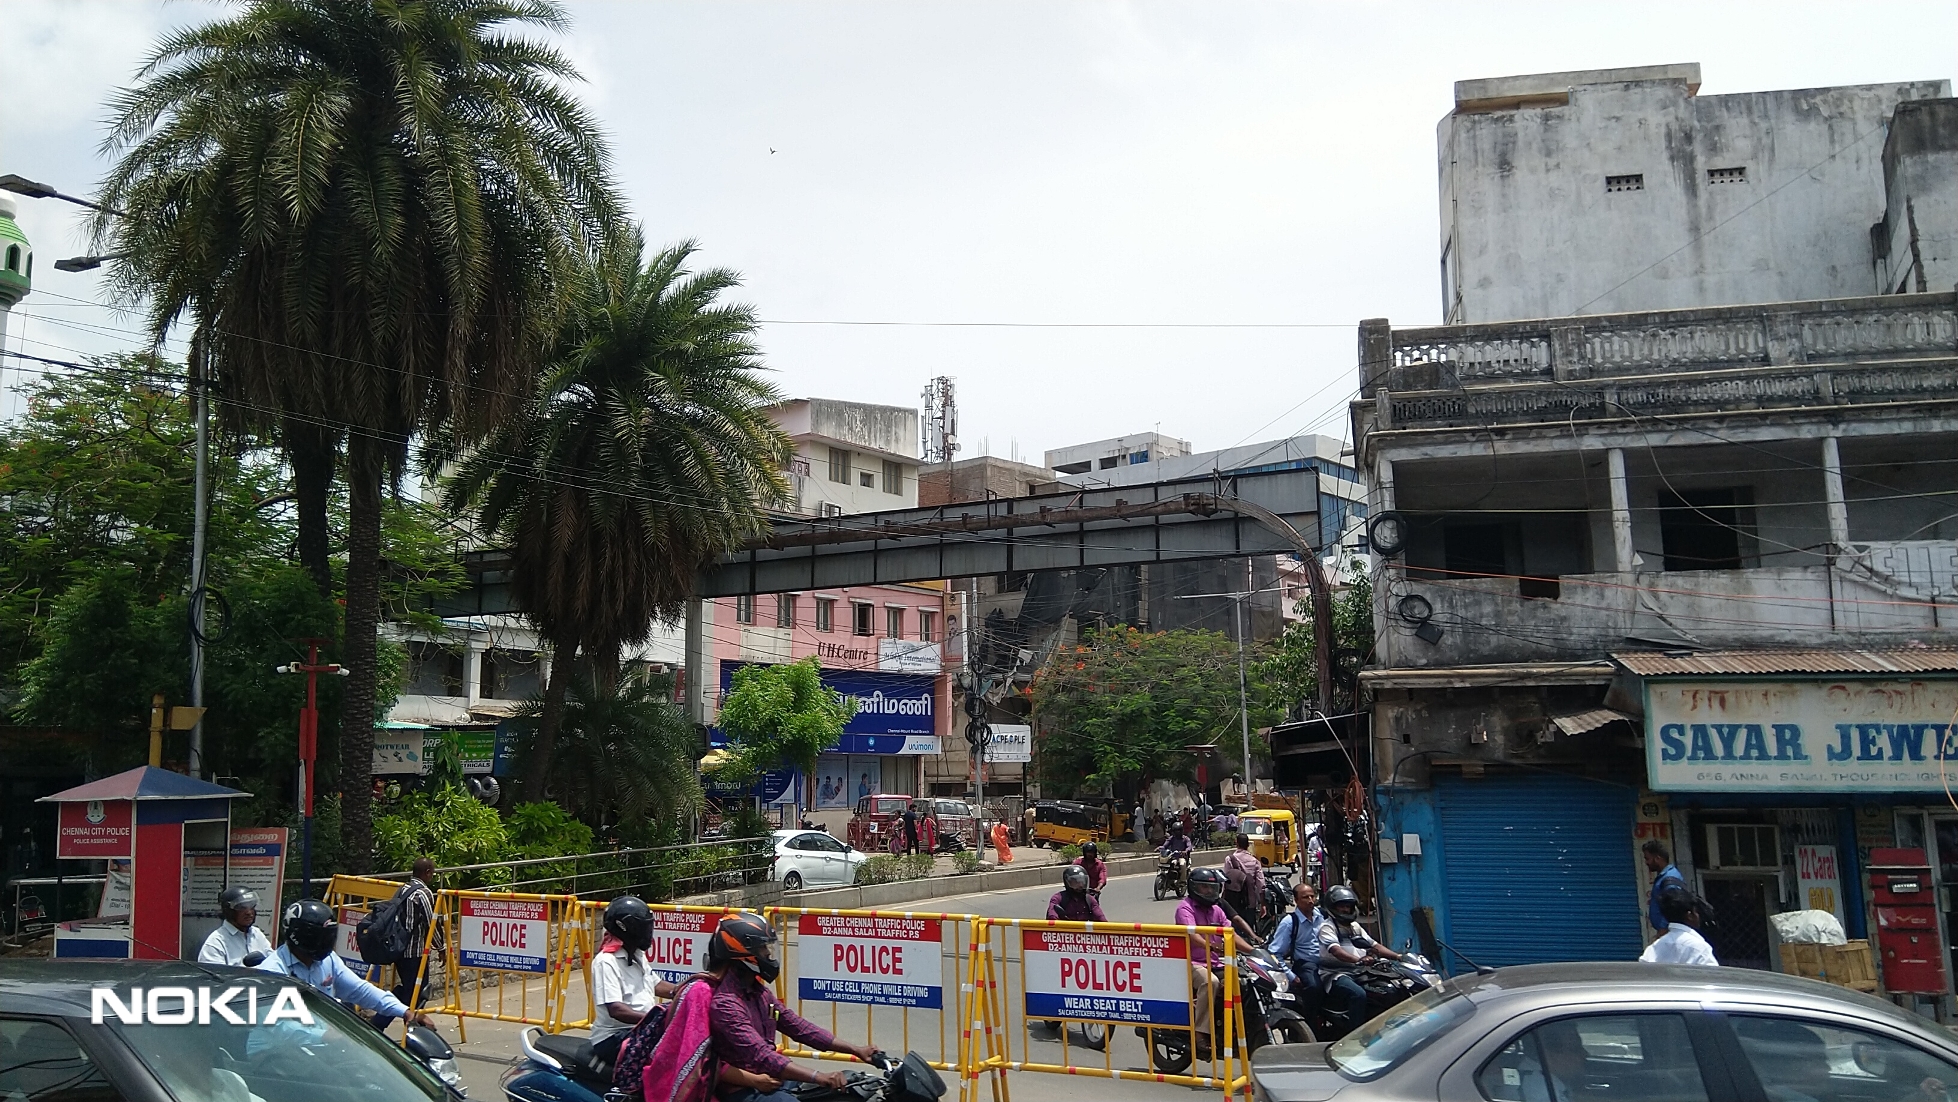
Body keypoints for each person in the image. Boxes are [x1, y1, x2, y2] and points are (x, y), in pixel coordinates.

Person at [706, 912, 878, 1101]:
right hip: (743, 1090)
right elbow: (761, 1056)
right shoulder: (726, 1005)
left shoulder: (759, 993)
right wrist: (818, 1076)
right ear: (744, 953)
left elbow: (799, 1028)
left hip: (773, 1078)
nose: (769, 954)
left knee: (850, 1088)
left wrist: (856, 1050)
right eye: (763, 948)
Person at [256, 900, 435, 1030]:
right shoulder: (272, 972)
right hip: (274, 1053)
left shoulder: (328, 960)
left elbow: (359, 990)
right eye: (320, 937)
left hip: (317, 1048)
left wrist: (405, 1012)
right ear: (300, 936)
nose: (326, 943)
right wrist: (327, 1035)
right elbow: (281, 1025)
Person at [1173, 868, 1260, 1056]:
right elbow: (1192, 934)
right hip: (1191, 961)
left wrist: (1254, 951)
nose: (1209, 892)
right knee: (1210, 982)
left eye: (1212, 887)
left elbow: (1232, 934)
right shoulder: (1185, 908)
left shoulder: (1217, 910)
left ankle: (1233, 1028)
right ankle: (1200, 1032)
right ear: (1194, 888)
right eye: (1204, 887)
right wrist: (1211, 946)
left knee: (1245, 982)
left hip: (1215, 962)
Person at [591, 895, 682, 1065]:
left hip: (639, 1029)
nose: (649, 933)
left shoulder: (637, 954)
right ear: (628, 929)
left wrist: (686, 992)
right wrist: (658, 1018)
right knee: (672, 1056)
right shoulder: (606, 962)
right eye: (644, 928)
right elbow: (616, 1010)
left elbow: (656, 984)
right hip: (614, 1037)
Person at [1316, 885, 1400, 1037]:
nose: (1346, 910)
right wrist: (1358, 959)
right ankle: (1356, 1036)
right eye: (1342, 906)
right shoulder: (1327, 927)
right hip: (1335, 974)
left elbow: (1374, 946)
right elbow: (1336, 951)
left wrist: (1398, 956)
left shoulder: (1355, 926)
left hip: (1360, 972)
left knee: (1389, 989)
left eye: (1348, 906)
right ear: (1333, 907)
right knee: (1358, 995)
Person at [371, 858, 442, 1031]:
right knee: (418, 992)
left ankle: (408, 1025)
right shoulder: (423, 894)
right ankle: (387, 1024)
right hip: (414, 952)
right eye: (432, 872)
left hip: (399, 949)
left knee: (408, 991)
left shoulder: (403, 889)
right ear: (427, 873)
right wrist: (441, 947)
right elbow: (431, 922)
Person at [1267, 882, 1324, 1004]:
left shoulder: (1322, 916)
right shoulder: (1289, 922)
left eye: (1312, 896)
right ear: (1296, 900)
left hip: (1328, 963)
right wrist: (1291, 976)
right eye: (1305, 897)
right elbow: (1274, 954)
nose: (1310, 900)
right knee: (1314, 988)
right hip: (1306, 965)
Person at [1639, 890, 1718, 966]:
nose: (1699, 916)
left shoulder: (1653, 949)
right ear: (1690, 915)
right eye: (1696, 912)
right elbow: (1713, 977)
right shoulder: (1699, 948)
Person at [198, 886, 272, 966]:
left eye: (252, 906)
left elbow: (273, 961)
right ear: (228, 910)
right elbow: (214, 976)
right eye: (241, 907)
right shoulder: (216, 943)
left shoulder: (256, 934)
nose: (249, 912)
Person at [1643, 840, 1686, 933]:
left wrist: (1663, 929)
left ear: (1657, 858)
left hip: (1669, 931)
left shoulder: (1669, 879)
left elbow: (1673, 907)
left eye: (1647, 858)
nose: (1646, 862)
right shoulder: (1664, 877)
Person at [1222, 833, 1266, 920]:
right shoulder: (1255, 861)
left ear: (1236, 843)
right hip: (1250, 901)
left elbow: (1225, 881)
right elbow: (1261, 884)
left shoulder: (1230, 859)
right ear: (1248, 845)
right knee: (1249, 928)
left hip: (1233, 901)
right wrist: (1263, 904)